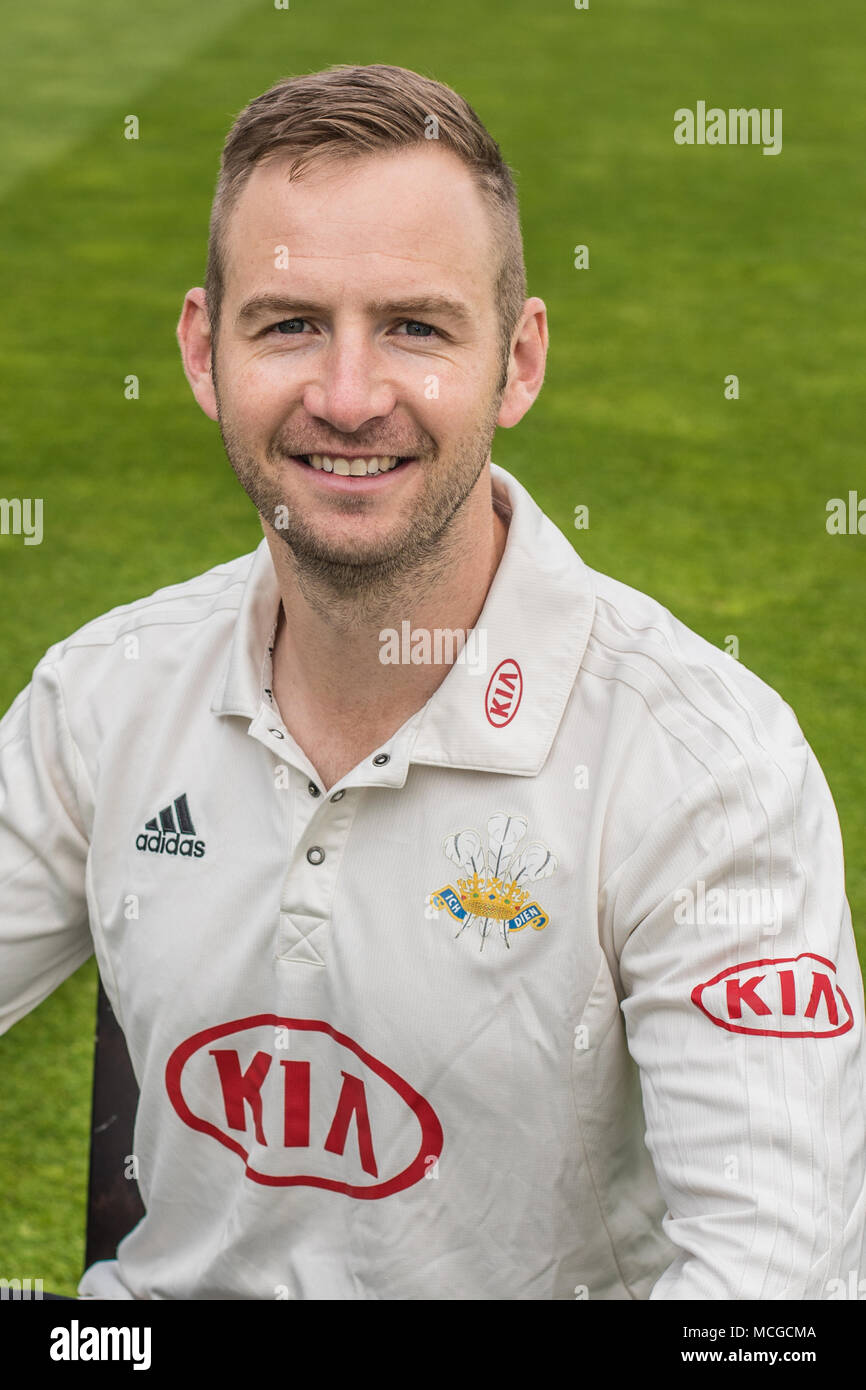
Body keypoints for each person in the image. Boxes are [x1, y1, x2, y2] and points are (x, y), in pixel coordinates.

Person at [1, 63, 864, 1301]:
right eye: (290, 323)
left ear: (516, 361)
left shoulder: (706, 766)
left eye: (414, 326)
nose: (348, 398)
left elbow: (775, 1297)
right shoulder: (107, 691)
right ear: (204, 351)